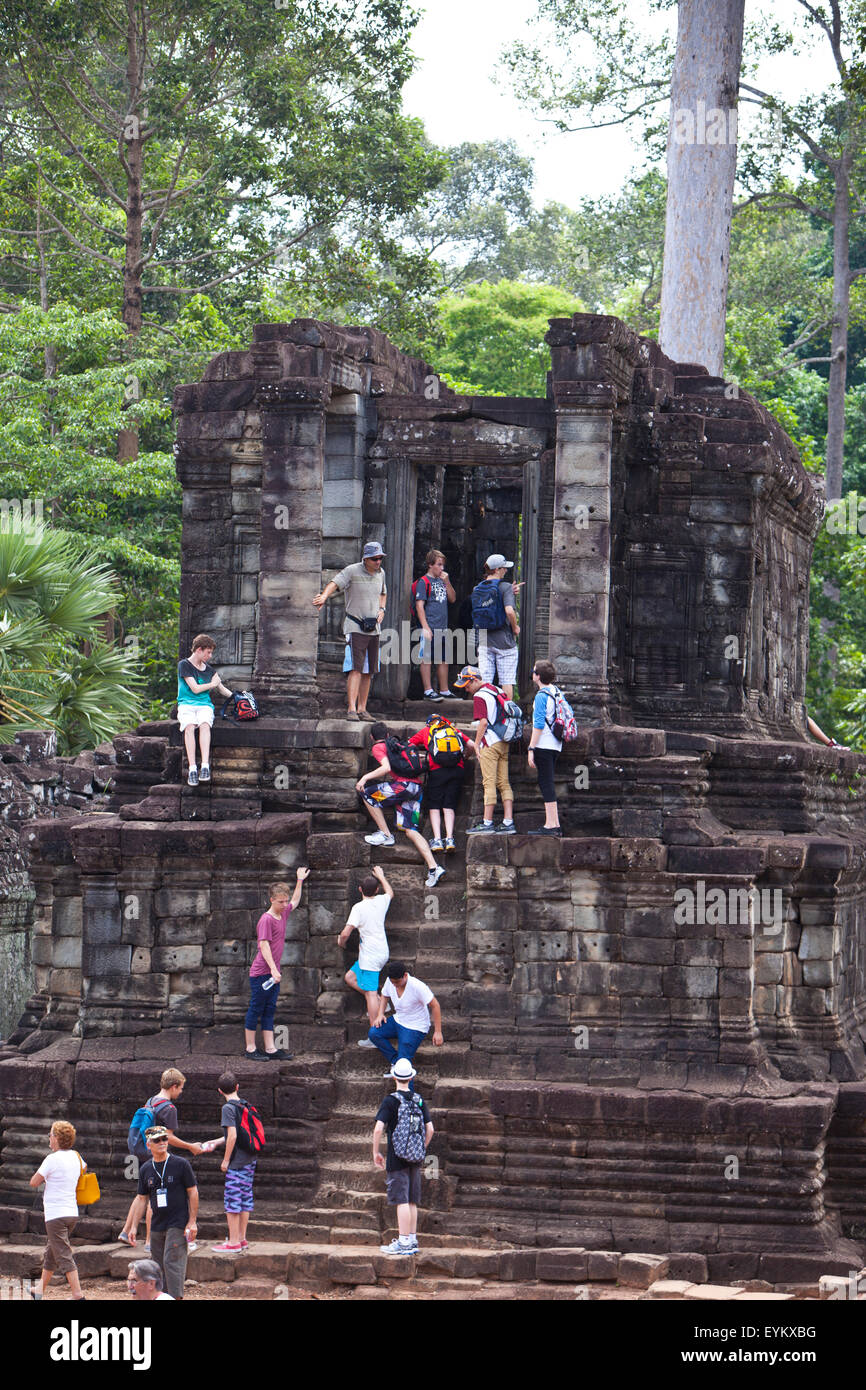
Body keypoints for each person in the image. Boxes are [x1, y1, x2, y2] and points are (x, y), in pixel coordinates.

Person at [118, 1067, 202, 1247]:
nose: (180, 1092)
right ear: (173, 1086)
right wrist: (190, 1147)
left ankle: (126, 1231)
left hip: (142, 1149)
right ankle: (150, 1240)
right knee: (155, 1195)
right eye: (180, 1088)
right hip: (155, 1154)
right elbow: (169, 1137)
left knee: (142, 1194)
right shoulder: (169, 1108)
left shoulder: (151, 1101)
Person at [356, 722, 445, 889]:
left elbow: (386, 767)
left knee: (367, 794)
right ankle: (434, 867)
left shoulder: (378, 747)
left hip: (402, 787)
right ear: (388, 735)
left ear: (371, 737)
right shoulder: (398, 744)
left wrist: (365, 778)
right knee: (411, 830)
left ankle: (386, 835)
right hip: (416, 789)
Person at [314, 541, 387, 721]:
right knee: (356, 668)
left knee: (369, 671)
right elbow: (334, 582)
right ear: (366, 559)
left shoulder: (381, 573)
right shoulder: (352, 570)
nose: (378, 562)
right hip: (356, 626)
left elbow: (383, 593)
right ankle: (351, 709)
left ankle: (362, 708)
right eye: (374, 559)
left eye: (380, 558)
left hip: (374, 628)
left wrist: (382, 609)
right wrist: (324, 596)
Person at [245, 868, 310, 1060]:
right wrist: (273, 969)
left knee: (270, 1009)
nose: (285, 904)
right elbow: (263, 945)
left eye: (285, 901)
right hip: (261, 973)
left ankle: (271, 1048)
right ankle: (250, 1049)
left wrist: (299, 880)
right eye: (281, 901)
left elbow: (296, 901)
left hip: (274, 974)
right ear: (271, 900)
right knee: (256, 1008)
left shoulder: (283, 914)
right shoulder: (266, 919)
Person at [128, 1127, 198, 1301]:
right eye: (157, 1140)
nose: (162, 1143)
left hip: (178, 1221)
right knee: (157, 1266)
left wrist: (192, 1221)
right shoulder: (146, 1169)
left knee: (172, 1260)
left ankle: (175, 1297)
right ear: (148, 1144)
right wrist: (133, 1227)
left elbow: (193, 1192)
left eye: (164, 1139)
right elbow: (141, 1199)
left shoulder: (180, 1164)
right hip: (157, 1224)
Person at [373, 1058, 434, 1256]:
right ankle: (412, 1239)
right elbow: (430, 1129)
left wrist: (376, 1152)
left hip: (396, 1156)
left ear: (394, 1077)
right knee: (412, 1200)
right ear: (411, 1077)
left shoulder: (390, 1101)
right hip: (415, 1156)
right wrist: (420, 1148)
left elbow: (378, 1129)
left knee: (401, 1200)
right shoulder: (419, 1099)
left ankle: (404, 1242)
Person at [453, 665, 515, 835]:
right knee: (503, 782)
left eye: (467, 684)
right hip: (504, 740)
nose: (466, 689)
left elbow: (483, 723)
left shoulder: (480, 695)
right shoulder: (495, 689)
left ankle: (487, 823)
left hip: (490, 743)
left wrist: (477, 744)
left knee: (489, 783)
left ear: (474, 680)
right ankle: (508, 822)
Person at [29, 1120, 86, 1301]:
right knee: (52, 1252)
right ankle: (39, 1289)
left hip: (55, 1214)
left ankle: (77, 1294)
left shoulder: (52, 1159)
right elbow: (83, 1168)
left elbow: (34, 1182)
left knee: (62, 1253)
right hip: (71, 1212)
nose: (49, 1137)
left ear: (57, 1138)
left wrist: (51, 1178)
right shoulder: (76, 1156)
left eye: (51, 1134)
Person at [339, 866, 393, 1038]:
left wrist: (341, 942)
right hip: (380, 952)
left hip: (371, 957)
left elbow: (346, 932)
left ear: (360, 889)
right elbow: (391, 893)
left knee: (370, 993)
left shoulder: (358, 908)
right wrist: (382, 876)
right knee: (350, 977)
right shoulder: (381, 901)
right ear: (377, 890)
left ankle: (374, 1034)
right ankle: (380, 1000)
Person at [367, 960, 444, 1081]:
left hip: (415, 1026)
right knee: (374, 1033)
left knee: (404, 1066)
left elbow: (435, 1005)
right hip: (398, 1019)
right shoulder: (390, 981)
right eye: (393, 982)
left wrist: (438, 1031)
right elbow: (385, 995)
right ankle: (395, 1061)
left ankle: (408, 1097)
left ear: (405, 975)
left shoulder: (418, 986)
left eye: (397, 982)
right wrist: (380, 1014)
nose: (395, 985)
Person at [208, 1072, 258, 1254]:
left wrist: (226, 1160)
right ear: (237, 1087)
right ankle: (242, 1239)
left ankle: (234, 1242)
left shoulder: (228, 1108)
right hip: (250, 1160)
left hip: (237, 1163)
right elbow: (233, 1134)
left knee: (232, 1202)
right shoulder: (245, 1104)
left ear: (220, 1091)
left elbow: (234, 1135)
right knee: (245, 1199)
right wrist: (216, 1141)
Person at [409, 715, 474, 852]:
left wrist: (422, 756)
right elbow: (471, 745)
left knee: (434, 806)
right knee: (449, 805)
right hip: (457, 770)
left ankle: (437, 840)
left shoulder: (426, 731)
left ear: (429, 724)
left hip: (437, 772)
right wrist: (465, 757)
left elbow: (408, 745)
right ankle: (450, 839)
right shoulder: (453, 730)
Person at [176, 633, 234, 787]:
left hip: (204, 705)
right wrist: (212, 685)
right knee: (189, 727)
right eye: (208, 652)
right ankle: (193, 768)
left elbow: (222, 689)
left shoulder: (209, 670)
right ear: (199, 650)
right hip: (186, 704)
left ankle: (205, 766)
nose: (210, 655)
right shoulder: (184, 665)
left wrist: (238, 698)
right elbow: (195, 688)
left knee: (204, 725)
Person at [471, 554, 520, 699]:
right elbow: (509, 611)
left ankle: (483, 716)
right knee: (507, 681)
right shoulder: (505, 587)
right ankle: (506, 718)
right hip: (504, 639)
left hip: (484, 639)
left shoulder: (477, 589)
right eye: (504, 568)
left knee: (484, 681)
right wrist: (515, 627)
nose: (506, 570)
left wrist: (510, 591)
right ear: (497, 569)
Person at [413, 550, 457, 701]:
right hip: (429, 626)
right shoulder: (423, 582)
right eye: (439, 564)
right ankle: (428, 690)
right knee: (426, 658)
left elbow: (452, 599)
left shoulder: (442, 581)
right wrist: (425, 627)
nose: (442, 568)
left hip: (442, 627)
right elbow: (419, 606)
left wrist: (447, 581)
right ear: (430, 565)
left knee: (443, 659)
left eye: (443, 565)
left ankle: (444, 690)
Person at [527, 659, 563, 836]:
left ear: (538, 676)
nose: (532, 673)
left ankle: (551, 824)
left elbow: (538, 725)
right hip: (556, 744)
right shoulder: (556, 692)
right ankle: (554, 823)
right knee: (547, 781)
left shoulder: (542, 696)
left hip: (544, 744)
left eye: (534, 671)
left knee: (545, 783)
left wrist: (531, 748)